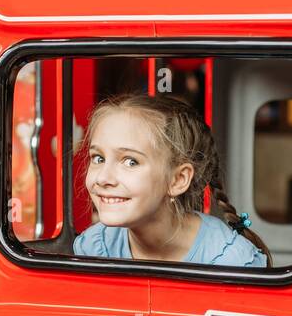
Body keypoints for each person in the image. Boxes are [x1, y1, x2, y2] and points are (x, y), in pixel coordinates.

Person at [74, 94, 270, 267]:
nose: (103, 178)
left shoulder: (231, 262)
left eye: (131, 162)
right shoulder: (94, 246)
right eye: (98, 158)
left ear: (178, 179)